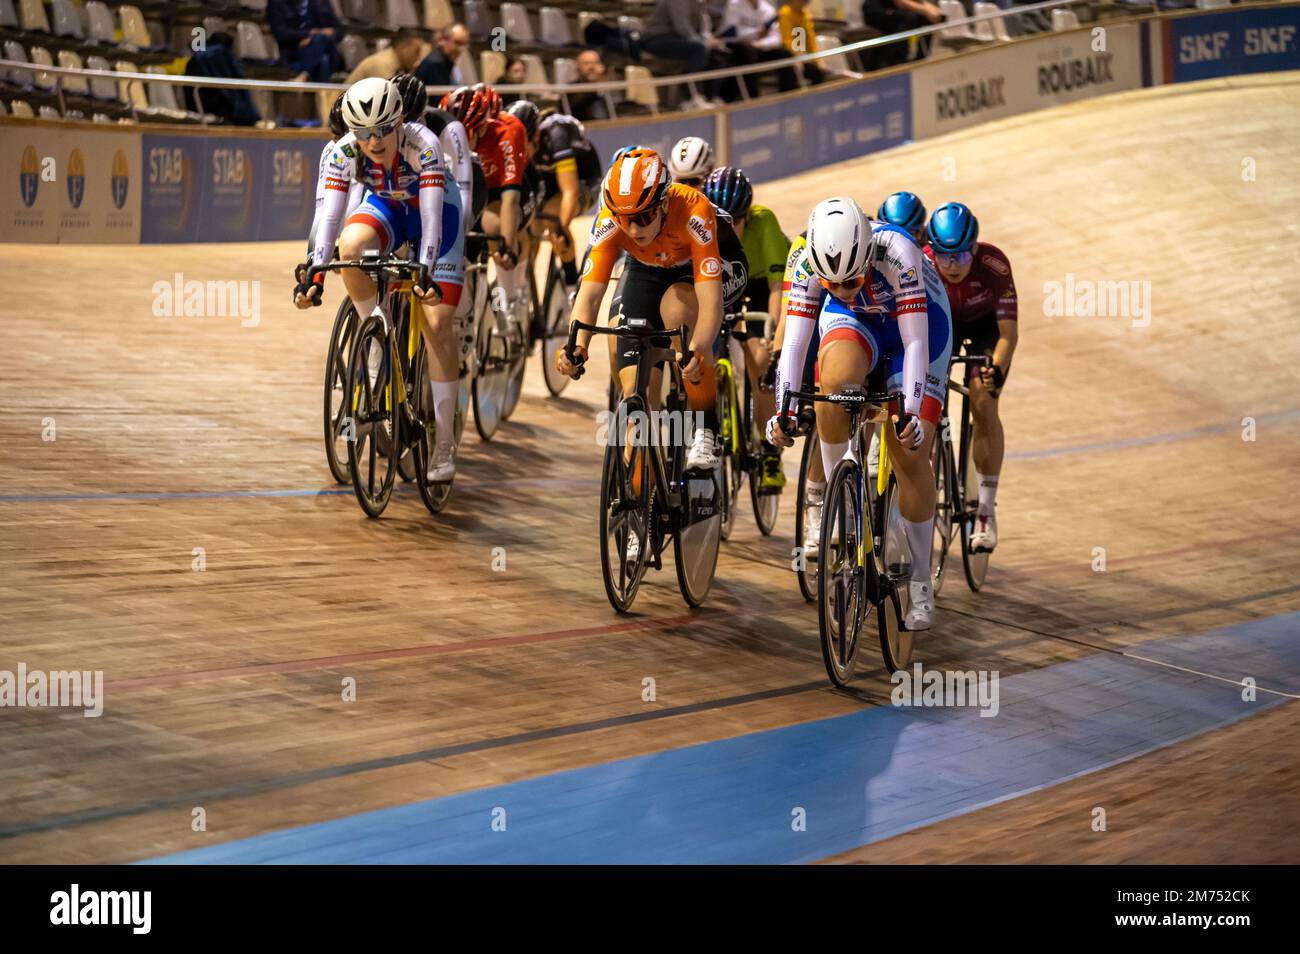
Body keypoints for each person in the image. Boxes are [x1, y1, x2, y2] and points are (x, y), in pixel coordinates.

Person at [768, 197, 953, 630]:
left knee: (908, 449)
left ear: (867, 254)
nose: (842, 288)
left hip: (917, 327)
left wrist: (908, 413)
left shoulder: (898, 251)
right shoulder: (809, 265)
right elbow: (794, 346)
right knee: (831, 385)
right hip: (858, 323)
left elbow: (914, 346)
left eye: (851, 279)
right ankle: (842, 500)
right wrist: (783, 412)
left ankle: (922, 581)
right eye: (832, 283)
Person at [293, 77, 466, 481]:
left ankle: (444, 443)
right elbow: (331, 219)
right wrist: (314, 274)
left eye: (383, 130)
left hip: (434, 216)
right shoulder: (344, 152)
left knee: (437, 324)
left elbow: (430, 219)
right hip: (387, 206)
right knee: (351, 248)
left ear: (400, 121)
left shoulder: (423, 145)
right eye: (364, 133)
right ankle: (375, 336)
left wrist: (424, 271)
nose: (374, 141)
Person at [557, 149, 751, 484]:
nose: (632, 228)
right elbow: (590, 294)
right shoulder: (610, 220)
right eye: (624, 218)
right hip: (647, 269)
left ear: (663, 203)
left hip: (710, 265)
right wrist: (576, 344)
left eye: (643, 217)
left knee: (678, 313)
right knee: (635, 387)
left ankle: (706, 428)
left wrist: (700, 347)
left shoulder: (694, 210)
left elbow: (711, 302)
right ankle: (641, 499)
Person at [924, 202, 1016, 552]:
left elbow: (1008, 334)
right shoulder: (922, 261)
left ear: (974, 248)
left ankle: (986, 511)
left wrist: (996, 370)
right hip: (942, 324)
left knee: (982, 399)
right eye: (944, 256)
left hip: (984, 330)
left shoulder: (994, 265)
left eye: (961, 256)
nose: (951, 265)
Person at [703, 167, 788, 491]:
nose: (732, 227)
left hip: (758, 286)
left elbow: (778, 285)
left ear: (748, 215)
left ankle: (769, 454)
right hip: (720, 283)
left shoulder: (764, 221)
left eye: (738, 219)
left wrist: (771, 329)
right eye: (726, 219)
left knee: (759, 357)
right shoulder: (701, 223)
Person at [441, 84, 537, 336]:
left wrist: (505, 246)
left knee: (494, 226)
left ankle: (507, 299)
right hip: (470, 187)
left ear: (482, 126)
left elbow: (510, 199)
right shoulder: (441, 130)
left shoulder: (508, 130)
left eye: (466, 133)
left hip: (505, 189)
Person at [507, 101, 602, 296]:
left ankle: (571, 289)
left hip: (584, 180)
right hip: (549, 180)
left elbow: (570, 192)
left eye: (522, 146)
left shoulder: (556, 136)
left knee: (554, 219)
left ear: (535, 136)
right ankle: (522, 288)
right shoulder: (524, 143)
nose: (519, 152)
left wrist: (561, 227)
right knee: (529, 225)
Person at [642, 0, 728, 109]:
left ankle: (710, 96)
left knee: (718, 53)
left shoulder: (699, 3)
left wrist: (709, 40)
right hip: (657, 39)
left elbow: (700, 28)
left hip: (680, 38)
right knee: (698, 49)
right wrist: (703, 42)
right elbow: (682, 27)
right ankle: (691, 97)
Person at [719, 0, 786, 98]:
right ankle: (754, 97)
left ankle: (787, 97)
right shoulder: (734, 4)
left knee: (784, 54)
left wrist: (759, 44)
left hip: (758, 46)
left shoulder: (767, 8)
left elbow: (776, 38)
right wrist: (756, 33)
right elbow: (732, 32)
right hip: (736, 46)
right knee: (748, 53)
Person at [267, 0, 345, 83]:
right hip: (294, 53)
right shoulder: (276, 2)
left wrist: (314, 38)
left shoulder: (321, 1)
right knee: (323, 60)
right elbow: (281, 33)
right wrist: (309, 33)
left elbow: (339, 31)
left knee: (319, 40)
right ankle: (320, 93)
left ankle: (303, 74)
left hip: (328, 50)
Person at [860, 0, 941, 68]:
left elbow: (920, 2)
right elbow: (900, 1)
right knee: (907, 17)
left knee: (923, 18)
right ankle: (898, 61)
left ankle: (921, 57)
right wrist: (925, 11)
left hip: (895, 9)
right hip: (876, 10)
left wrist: (935, 11)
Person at [345, 29, 426, 84]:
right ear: (403, 47)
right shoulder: (382, 64)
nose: (418, 57)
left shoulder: (398, 66)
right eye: (416, 51)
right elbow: (391, 100)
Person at [778, 0, 825, 88]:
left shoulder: (805, 13)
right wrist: (796, 55)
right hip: (789, 55)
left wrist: (817, 60)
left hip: (803, 56)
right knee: (790, 76)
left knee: (818, 72)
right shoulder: (784, 13)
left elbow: (811, 39)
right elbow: (787, 39)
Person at [416, 23, 470, 88]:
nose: (461, 49)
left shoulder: (446, 61)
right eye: (457, 43)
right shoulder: (435, 64)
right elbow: (440, 96)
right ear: (442, 40)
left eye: (464, 44)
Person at [568, 49, 616, 122]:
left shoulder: (611, 86)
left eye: (596, 63)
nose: (592, 67)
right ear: (578, 67)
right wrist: (596, 85)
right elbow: (576, 106)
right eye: (586, 63)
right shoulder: (571, 89)